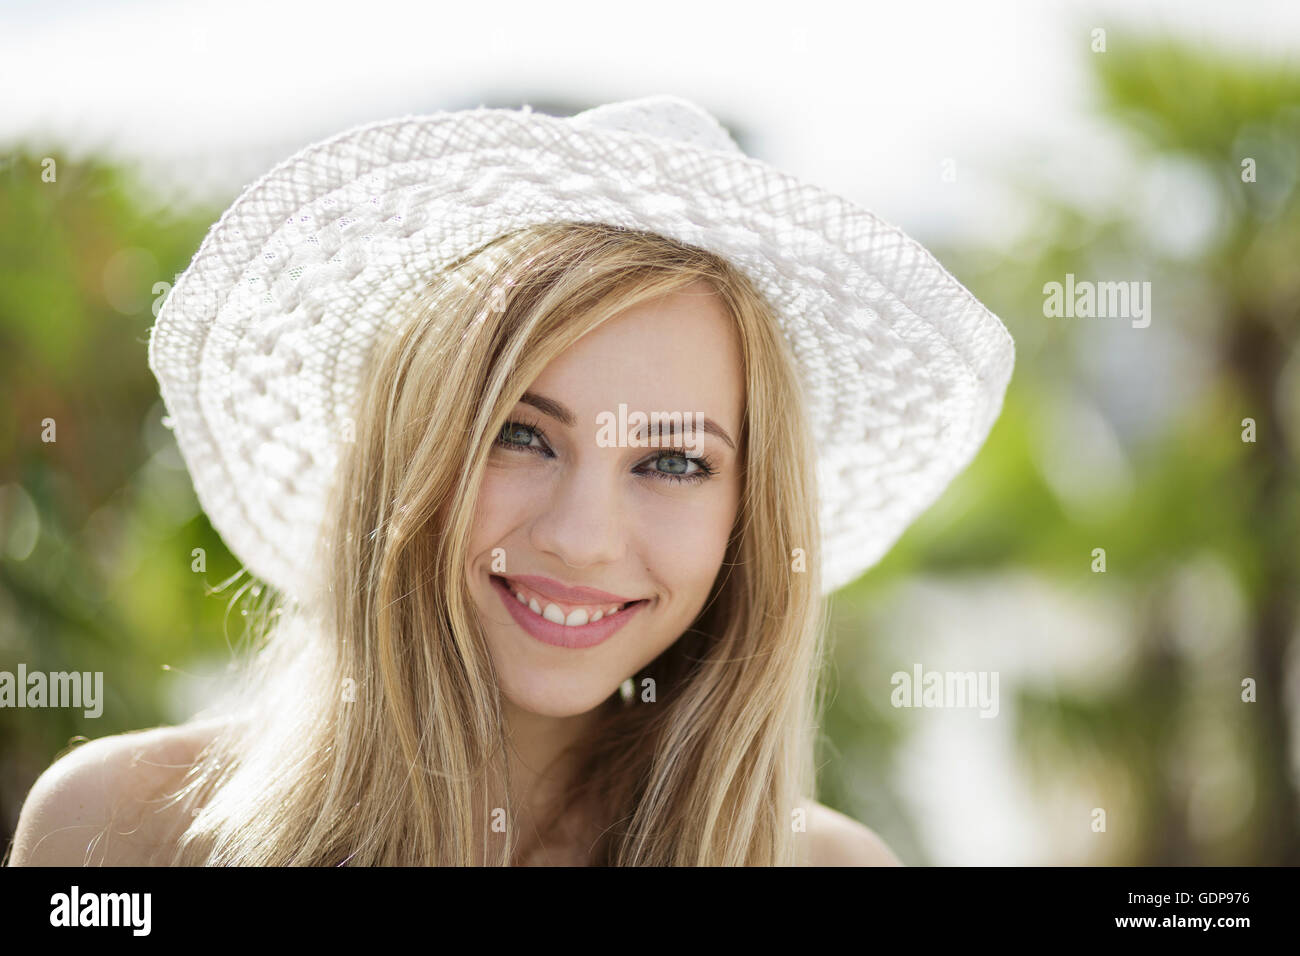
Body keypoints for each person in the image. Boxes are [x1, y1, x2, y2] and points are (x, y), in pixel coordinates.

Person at [9, 96, 1013, 866]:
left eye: (671, 461)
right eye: (519, 435)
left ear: (747, 515)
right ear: (414, 448)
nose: (581, 536)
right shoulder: (117, 832)